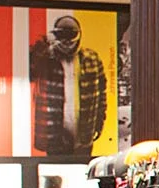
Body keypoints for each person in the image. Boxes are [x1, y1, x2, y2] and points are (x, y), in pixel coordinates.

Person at [30, 14, 108, 156]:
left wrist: (99, 123)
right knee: (54, 168)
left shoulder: (92, 58)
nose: (67, 40)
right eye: (62, 34)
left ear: (79, 35)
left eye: (71, 34)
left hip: (84, 132)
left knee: (84, 167)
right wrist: (44, 43)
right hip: (54, 134)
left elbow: (101, 93)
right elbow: (29, 68)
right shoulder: (45, 58)